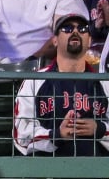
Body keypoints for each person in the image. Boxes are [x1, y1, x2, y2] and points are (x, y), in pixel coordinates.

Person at [13, 13, 109, 156]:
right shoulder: (34, 80)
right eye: (67, 28)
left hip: (96, 167)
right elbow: (20, 134)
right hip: (48, 166)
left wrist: (99, 129)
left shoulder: (105, 82)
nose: (75, 31)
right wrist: (56, 135)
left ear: (89, 41)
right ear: (55, 40)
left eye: (82, 29)